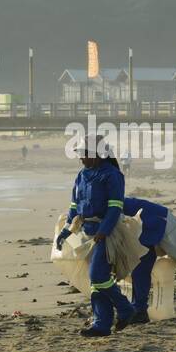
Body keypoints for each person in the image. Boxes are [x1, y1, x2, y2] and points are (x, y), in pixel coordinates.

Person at [55, 142, 135, 337]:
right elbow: (74, 207)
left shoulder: (112, 175)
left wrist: (104, 231)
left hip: (107, 233)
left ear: (98, 154)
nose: (81, 158)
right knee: (96, 282)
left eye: (84, 154)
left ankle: (125, 309)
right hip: (87, 233)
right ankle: (102, 324)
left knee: (98, 276)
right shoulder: (82, 175)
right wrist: (66, 231)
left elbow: (115, 207)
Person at [121, 196, 171, 324]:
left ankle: (140, 311)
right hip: (145, 224)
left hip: (152, 223)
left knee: (140, 270)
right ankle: (137, 307)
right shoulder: (101, 201)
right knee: (137, 271)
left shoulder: (109, 205)